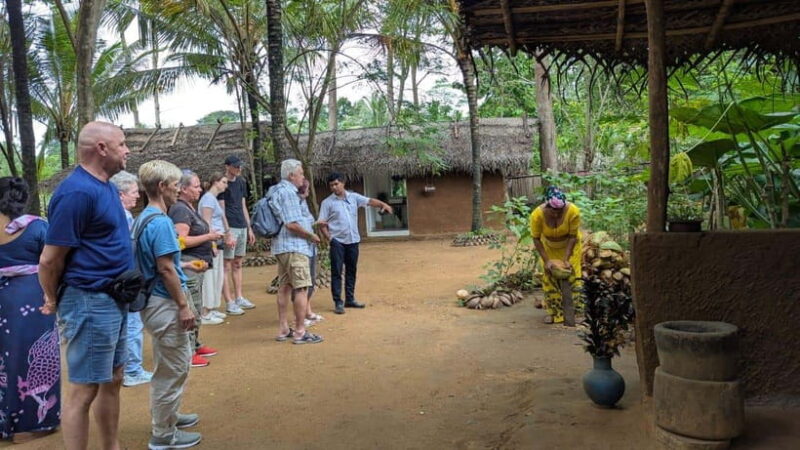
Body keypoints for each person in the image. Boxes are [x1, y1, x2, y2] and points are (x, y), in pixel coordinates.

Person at [39, 121, 132, 450]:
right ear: (102, 149)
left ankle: (111, 446)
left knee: (113, 377)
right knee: (84, 389)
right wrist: (52, 299)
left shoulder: (105, 185)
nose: (127, 150)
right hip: (90, 300)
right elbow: (50, 260)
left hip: (114, 298)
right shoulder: (77, 192)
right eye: (121, 144)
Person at [135, 160, 201, 449]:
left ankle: (168, 416)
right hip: (164, 302)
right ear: (162, 187)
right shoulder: (161, 222)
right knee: (173, 367)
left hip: (153, 299)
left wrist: (183, 264)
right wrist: (184, 305)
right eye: (175, 185)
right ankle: (163, 434)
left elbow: (163, 263)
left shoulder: (144, 218)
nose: (178, 190)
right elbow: (164, 268)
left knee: (169, 362)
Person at [0, 177, 60, 444]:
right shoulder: (37, 227)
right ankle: (34, 423)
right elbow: (54, 262)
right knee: (35, 359)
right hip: (33, 300)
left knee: (3, 361)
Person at [169, 170, 222, 368]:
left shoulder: (189, 208)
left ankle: (195, 343)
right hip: (189, 264)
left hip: (197, 264)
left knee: (196, 307)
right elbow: (181, 241)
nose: (200, 189)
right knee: (191, 308)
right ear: (183, 189)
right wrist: (209, 237)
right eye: (196, 186)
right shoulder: (181, 210)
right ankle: (188, 351)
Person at [318, 172, 392, 314]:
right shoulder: (327, 203)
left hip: (353, 240)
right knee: (337, 272)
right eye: (331, 185)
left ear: (343, 183)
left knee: (352, 270)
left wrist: (383, 204)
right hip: (337, 241)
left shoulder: (354, 197)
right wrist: (330, 238)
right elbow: (322, 223)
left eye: (336, 184)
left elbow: (369, 201)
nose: (334, 187)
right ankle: (338, 302)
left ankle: (350, 299)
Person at [270, 159, 323, 344]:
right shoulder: (289, 193)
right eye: (300, 173)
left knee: (284, 287)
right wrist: (310, 236)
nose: (302, 176)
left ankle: (284, 328)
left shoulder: (275, 190)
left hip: (281, 247)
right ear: (291, 175)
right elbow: (292, 224)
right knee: (301, 287)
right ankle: (301, 330)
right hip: (295, 247)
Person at [110, 170, 154, 388]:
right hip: (127, 277)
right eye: (134, 192)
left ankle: (128, 369)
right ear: (120, 194)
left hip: (117, 278)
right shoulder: (124, 217)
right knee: (133, 325)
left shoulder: (112, 213)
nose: (137, 196)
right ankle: (133, 370)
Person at [529, 186, 583, 324]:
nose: (557, 214)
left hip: (570, 247)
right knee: (549, 278)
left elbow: (572, 236)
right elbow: (536, 238)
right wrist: (547, 260)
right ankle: (554, 313)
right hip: (549, 248)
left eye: (560, 211)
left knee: (574, 278)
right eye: (554, 210)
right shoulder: (537, 215)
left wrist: (566, 258)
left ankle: (575, 312)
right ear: (547, 206)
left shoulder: (573, 212)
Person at [218, 155, 255, 315]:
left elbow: (243, 205)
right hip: (229, 226)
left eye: (239, 166)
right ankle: (229, 301)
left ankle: (239, 297)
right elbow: (221, 210)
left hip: (241, 225)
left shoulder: (241, 182)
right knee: (226, 265)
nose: (238, 169)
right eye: (235, 166)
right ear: (227, 166)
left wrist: (249, 228)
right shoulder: (222, 184)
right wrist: (227, 232)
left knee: (238, 263)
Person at [199, 173, 230, 322]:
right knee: (210, 276)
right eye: (223, 182)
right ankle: (205, 311)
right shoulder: (208, 200)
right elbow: (207, 222)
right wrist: (211, 243)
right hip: (211, 241)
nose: (226, 185)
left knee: (217, 273)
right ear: (215, 182)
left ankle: (212, 307)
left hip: (218, 239)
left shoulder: (213, 199)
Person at [297, 179, 323, 327]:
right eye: (307, 189)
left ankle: (308, 310)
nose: (308, 192)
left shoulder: (304, 204)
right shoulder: (295, 204)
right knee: (302, 283)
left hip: (311, 246)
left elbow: (308, 223)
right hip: (302, 248)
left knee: (311, 280)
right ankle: (301, 315)